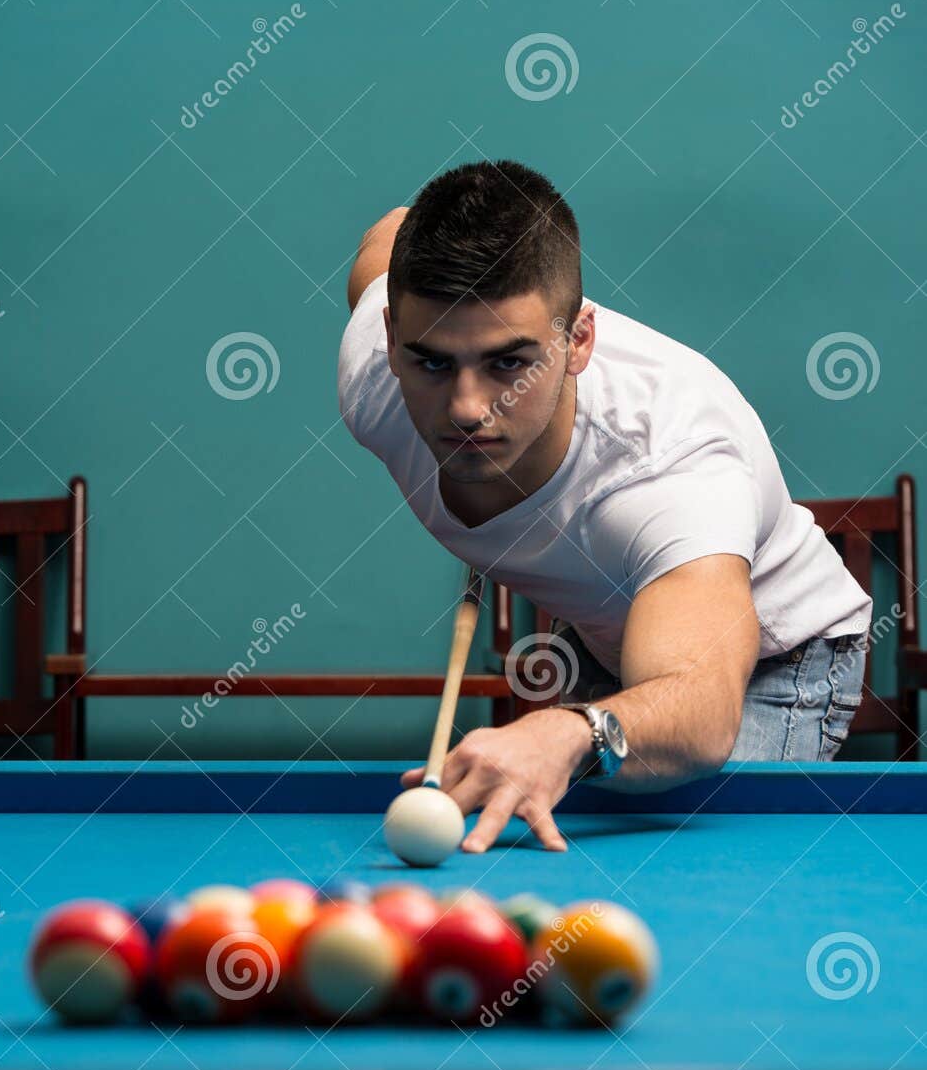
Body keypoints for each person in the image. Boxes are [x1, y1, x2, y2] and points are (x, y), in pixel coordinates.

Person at [337, 160, 871, 854]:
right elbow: (389, 238)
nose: (469, 408)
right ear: (388, 335)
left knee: (700, 859)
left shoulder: (667, 469)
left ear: (579, 340)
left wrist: (572, 731)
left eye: (509, 363)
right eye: (434, 362)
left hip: (774, 653)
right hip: (609, 630)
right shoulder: (374, 383)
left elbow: (701, 708)